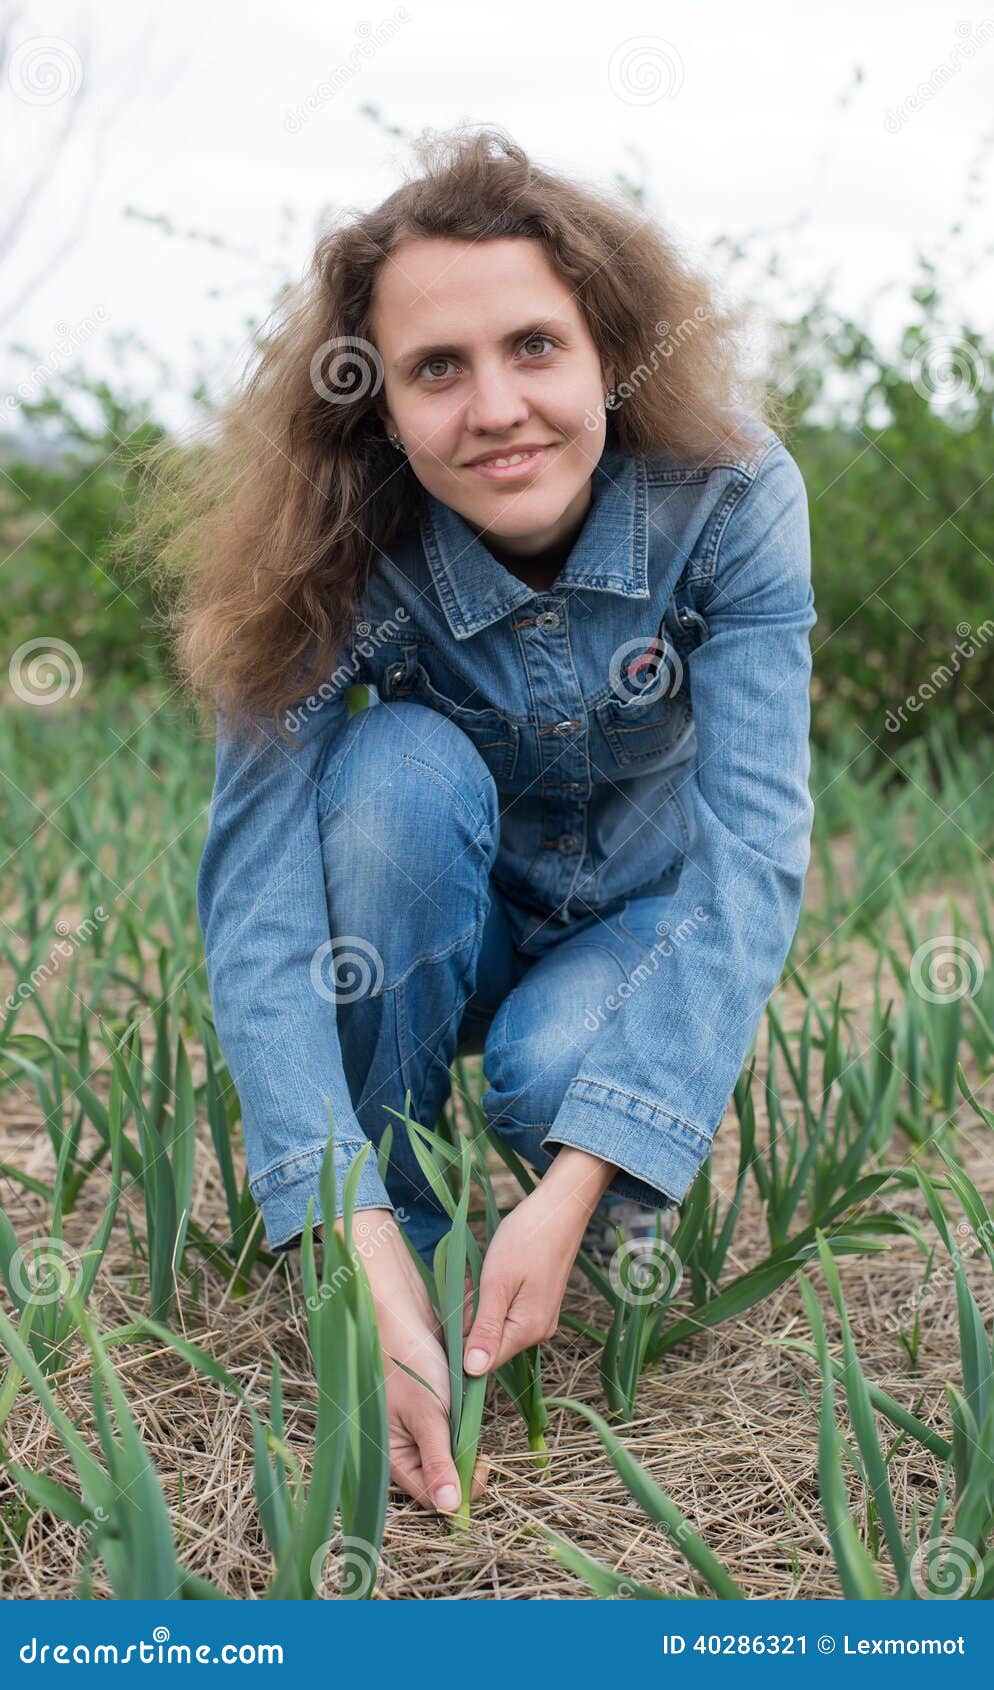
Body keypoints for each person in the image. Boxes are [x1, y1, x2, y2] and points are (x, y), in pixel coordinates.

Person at [144, 124, 816, 1520]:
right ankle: (409, 1284)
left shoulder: (735, 494)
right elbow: (261, 903)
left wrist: (576, 1179)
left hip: (636, 926)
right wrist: (351, 1229)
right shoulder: (325, 543)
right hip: (442, 908)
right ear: (376, 402)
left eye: (533, 347)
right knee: (390, 771)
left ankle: (559, 1205)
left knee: (555, 1068)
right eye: (434, 370)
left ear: (604, 350)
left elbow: (753, 857)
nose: (495, 405)